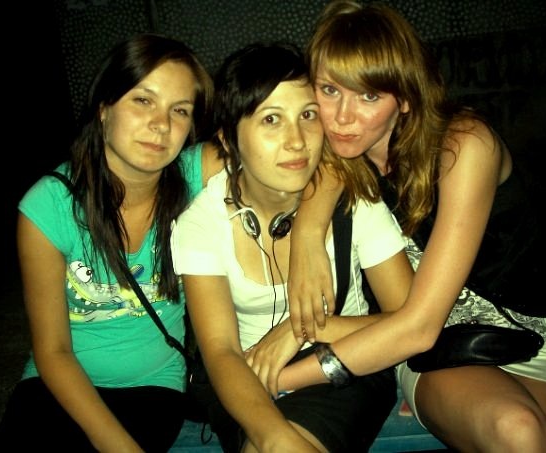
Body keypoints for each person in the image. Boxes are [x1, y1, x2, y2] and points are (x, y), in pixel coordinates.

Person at [278, 1, 546, 452]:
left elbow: (418, 325)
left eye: (369, 96)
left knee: (524, 436)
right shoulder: (335, 157)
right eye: (329, 90)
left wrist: (276, 378)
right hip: (432, 351)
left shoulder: (464, 146)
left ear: (405, 97)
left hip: (534, 335)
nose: (342, 116)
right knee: (516, 428)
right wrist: (307, 234)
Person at [170, 42, 413, 452]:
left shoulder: (355, 201)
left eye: (308, 115)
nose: (297, 140)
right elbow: (221, 351)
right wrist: (273, 434)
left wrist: (304, 328)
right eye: (271, 119)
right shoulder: (202, 222)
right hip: (247, 380)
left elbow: (410, 318)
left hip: (343, 368)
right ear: (228, 140)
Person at [0, 33, 217, 452]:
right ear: (103, 108)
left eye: (180, 110)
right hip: (58, 383)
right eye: (143, 100)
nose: (161, 124)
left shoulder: (195, 174)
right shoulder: (49, 206)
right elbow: (53, 350)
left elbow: (307, 159)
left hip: (153, 386)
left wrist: (311, 235)